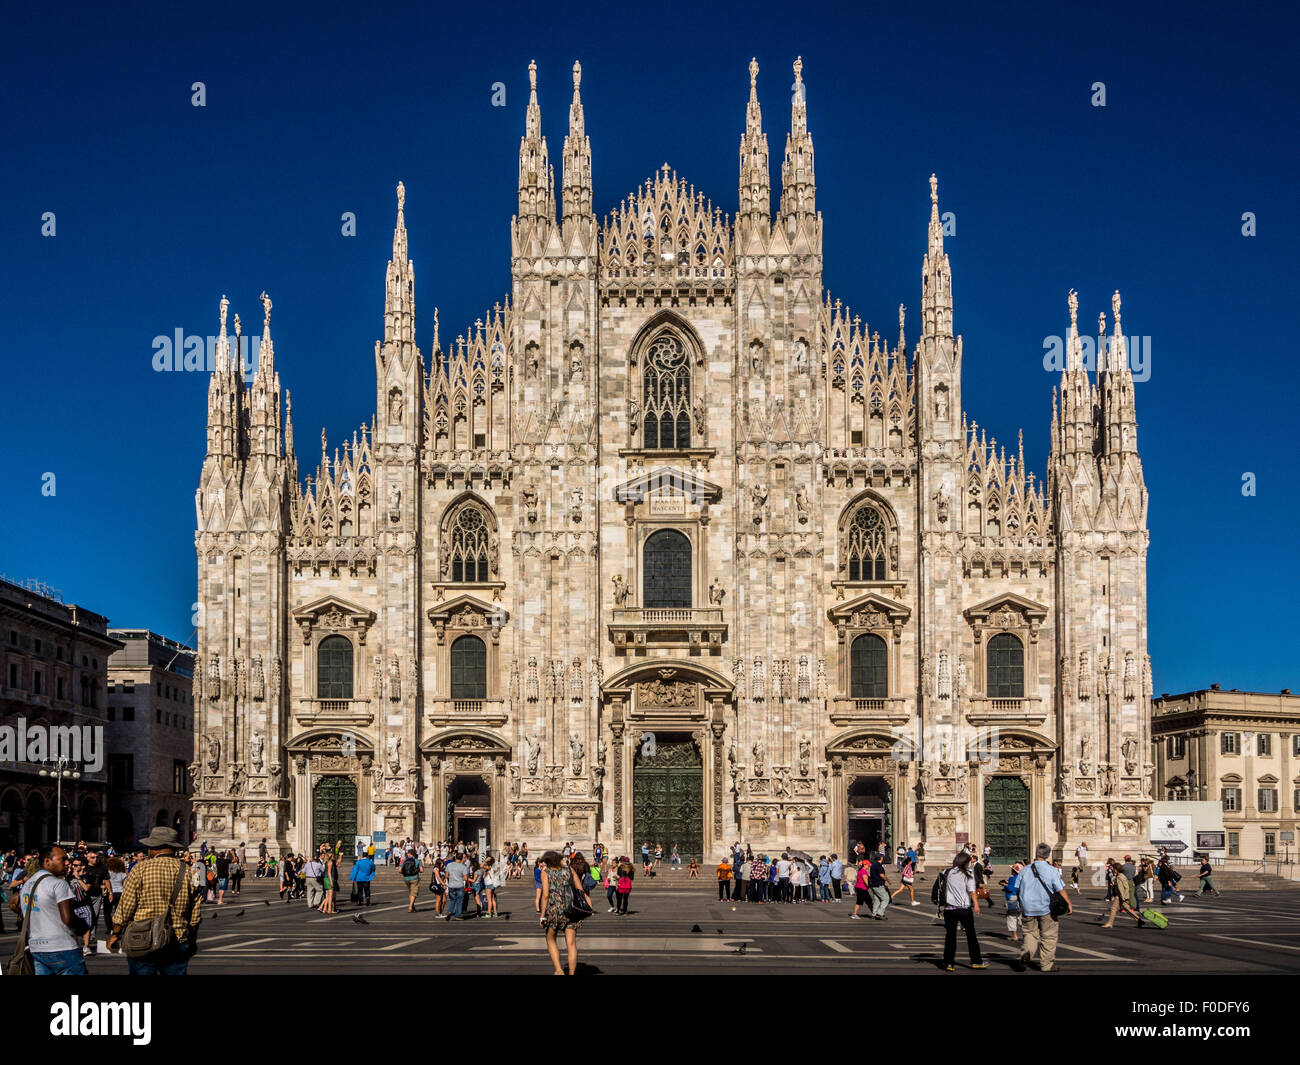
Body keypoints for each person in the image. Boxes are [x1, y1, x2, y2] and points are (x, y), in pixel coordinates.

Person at [107, 827, 203, 976]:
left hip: (143, 938)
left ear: (154, 848)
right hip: (177, 938)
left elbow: (126, 906)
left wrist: (115, 933)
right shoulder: (191, 872)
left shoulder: (140, 869)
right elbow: (195, 911)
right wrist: (192, 938)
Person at [9, 845, 86, 975]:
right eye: (62, 859)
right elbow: (67, 918)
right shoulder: (58, 884)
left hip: (37, 948)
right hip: (62, 947)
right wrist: (83, 925)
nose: (67, 863)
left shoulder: (28, 884)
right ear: (47, 861)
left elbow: (18, 906)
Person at [1016, 842, 1072, 973]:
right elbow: (1060, 889)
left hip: (1028, 908)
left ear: (1036, 853)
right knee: (1048, 936)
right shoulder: (1052, 870)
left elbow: (1017, 889)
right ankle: (1046, 965)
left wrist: (1022, 902)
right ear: (1048, 855)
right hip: (1046, 908)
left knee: (1029, 933)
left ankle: (1027, 953)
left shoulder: (1025, 869)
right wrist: (1068, 902)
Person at [539, 849, 587, 975]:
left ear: (548, 862)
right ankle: (571, 973)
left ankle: (559, 970)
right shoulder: (569, 870)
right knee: (571, 944)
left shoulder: (546, 873)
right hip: (570, 909)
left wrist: (542, 916)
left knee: (550, 939)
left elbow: (545, 895)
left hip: (554, 910)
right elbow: (580, 889)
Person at [939, 850, 985, 971]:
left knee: (950, 936)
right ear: (965, 862)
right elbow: (972, 891)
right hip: (964, 909)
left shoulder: (947, 872)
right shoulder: (968, 874)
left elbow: (941, 881)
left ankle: (949, 963)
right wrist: (976, 905)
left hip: (949, 909)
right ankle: (976, 961)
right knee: (971, 936)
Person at [1101, 858, 1145, 929]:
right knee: (1127, 909)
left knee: (1113, 909)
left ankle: (1110, 923)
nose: (1112, 870)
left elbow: (1126, 887)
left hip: (1121, 896)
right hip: (1120, 896)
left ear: (1117, 869)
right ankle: (1139, 920)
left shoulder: (1121, 876)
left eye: (1114, 868)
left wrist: (1124, 897)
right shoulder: (1118, 876)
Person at [443, 850, 469, 919]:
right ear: (461, 858)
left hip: (451, 885)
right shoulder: (464, 866)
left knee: (452, 900)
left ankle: (450, 912)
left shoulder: (449, 865)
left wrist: (452, 877)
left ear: (455, 857)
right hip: (460, 885)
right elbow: (466, 878)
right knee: (459, 901)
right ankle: (457, 915)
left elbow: (446, 875)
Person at [1002, 862, 1023, 942]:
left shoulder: (1012, 878)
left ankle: (1014, 935)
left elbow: (1011, 889)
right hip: (1021, 898)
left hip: (1012, 898)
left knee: (1012, 916)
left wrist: (1005, 885)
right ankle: (1026, 934)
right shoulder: (1022, 878)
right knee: (1021, 916)